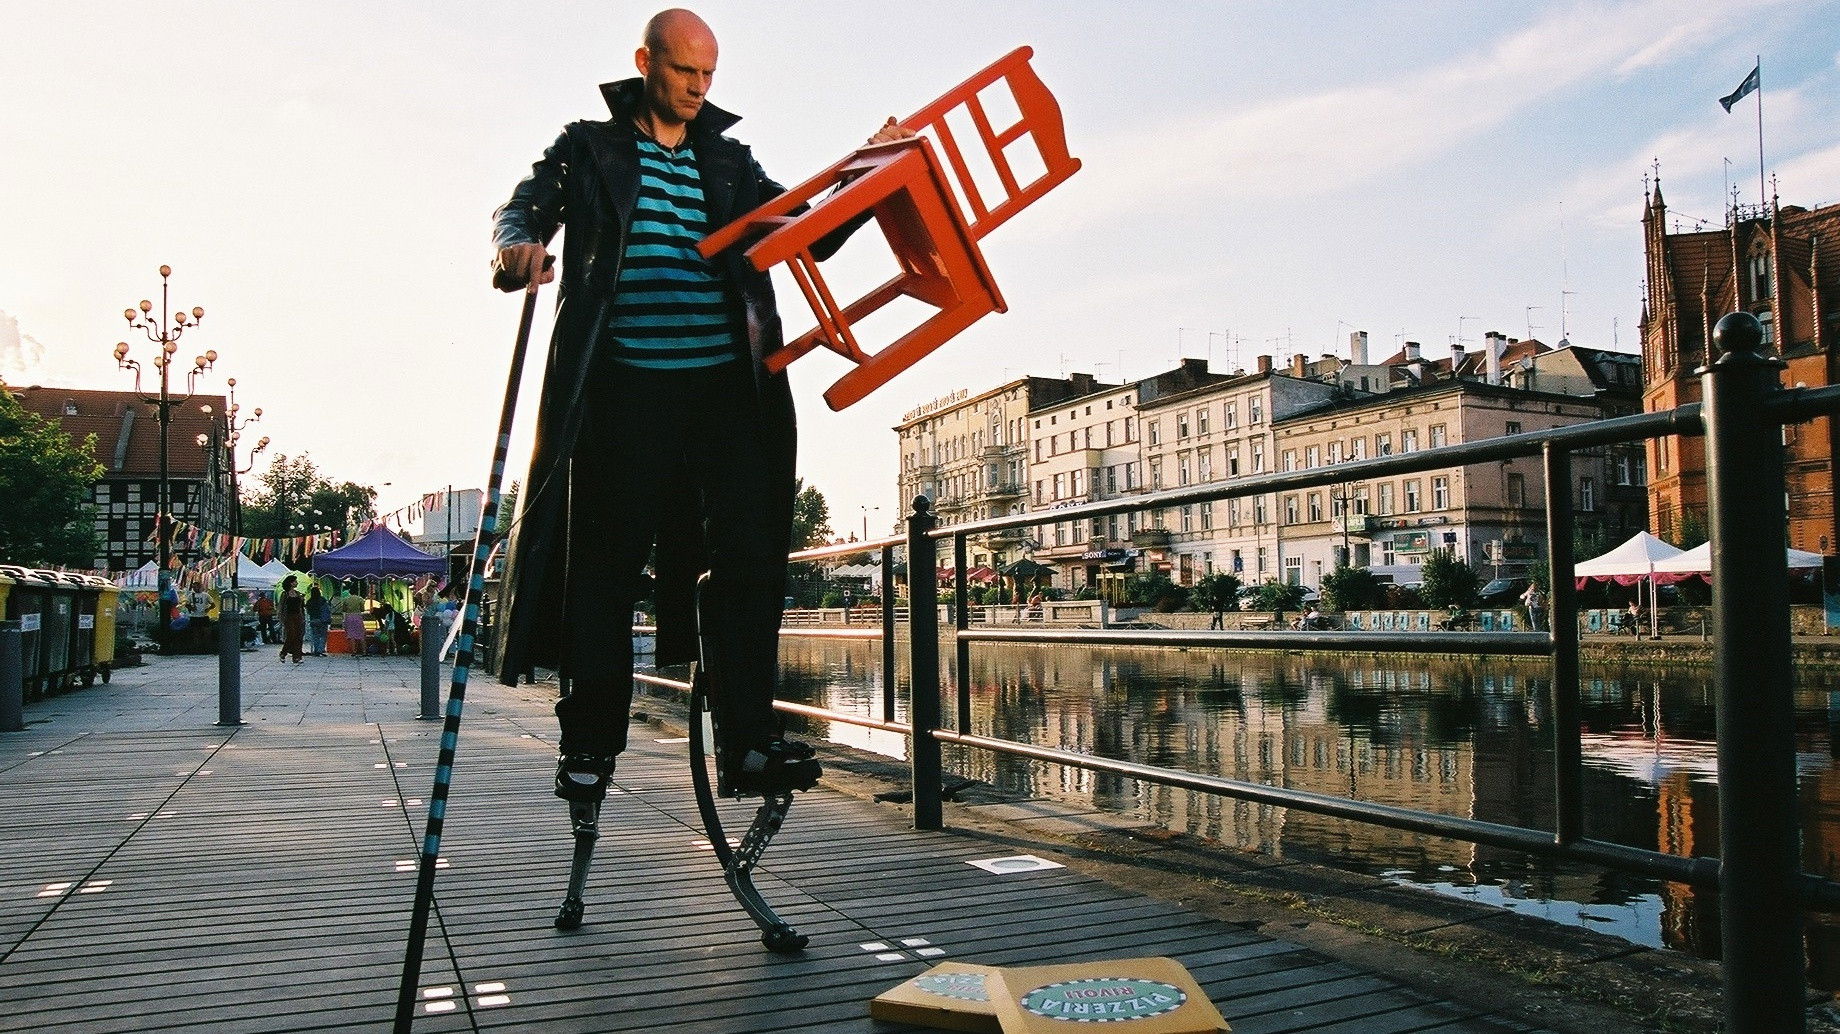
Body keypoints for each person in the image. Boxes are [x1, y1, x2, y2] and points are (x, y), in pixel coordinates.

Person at [490, 9, 910, 804]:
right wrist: (517, 248)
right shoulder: (590, 146)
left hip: (729, 390)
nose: (698, 87)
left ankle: (747, 744)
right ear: (645, 62)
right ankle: (589, 741)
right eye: (685, 71)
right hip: (624, 385)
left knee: (750, 558)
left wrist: (869, 167)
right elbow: (523, 208)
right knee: (604, 566)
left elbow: (810, 231)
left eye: (709, 73)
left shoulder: (729, 160)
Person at [278, 575, 306, 664]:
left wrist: (302, 600)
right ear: (290, 583)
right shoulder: (285, 594)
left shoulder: (298, 593)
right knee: (291, 635)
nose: (297, 583)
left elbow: (301, 606)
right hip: (288, 616)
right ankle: (283, 652)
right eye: (295, 581)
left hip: (298, 616)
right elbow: (281, 606)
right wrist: (281, 617)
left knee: (299, 636)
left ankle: (297, 656)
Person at [306, 585, 332, 656]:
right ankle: (320, 649)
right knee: (323, 635)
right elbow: (327, 610)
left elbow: (308, 612)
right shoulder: (322, 600)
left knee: (315, 636)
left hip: (313, 620)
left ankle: (316, 649)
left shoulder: (309, 601)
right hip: (322, 620)